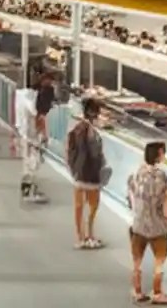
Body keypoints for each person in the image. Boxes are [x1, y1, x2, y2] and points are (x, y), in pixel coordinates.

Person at [128, 142, 167, 304]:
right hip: (157, 226)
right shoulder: (161, 176)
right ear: (159, 155)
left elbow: (131, 196)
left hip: (138, 223)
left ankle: (137, 290)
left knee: (137, 259)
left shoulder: (137, 173)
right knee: (159, 259)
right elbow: (165, 203)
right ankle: (157, 292)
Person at [67, 97, 108, 249]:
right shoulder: (92, 131)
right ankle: (90, 234)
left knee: (78, 206)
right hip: (91, 174)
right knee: (93, 205)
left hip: (78, 173)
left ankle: (80, 237)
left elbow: (69, 148)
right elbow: (96, 152)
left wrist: (72, 167)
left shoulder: (76, 127)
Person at [15, 72, 58, 203]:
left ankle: (28, 188)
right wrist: (42, 136)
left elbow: (39, 117)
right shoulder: (33, 104)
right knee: (33, 162)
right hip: (29, 135)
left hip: (24, 132)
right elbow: (39, 116)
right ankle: (28, 191)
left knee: (29, 162)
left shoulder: (24, 94)